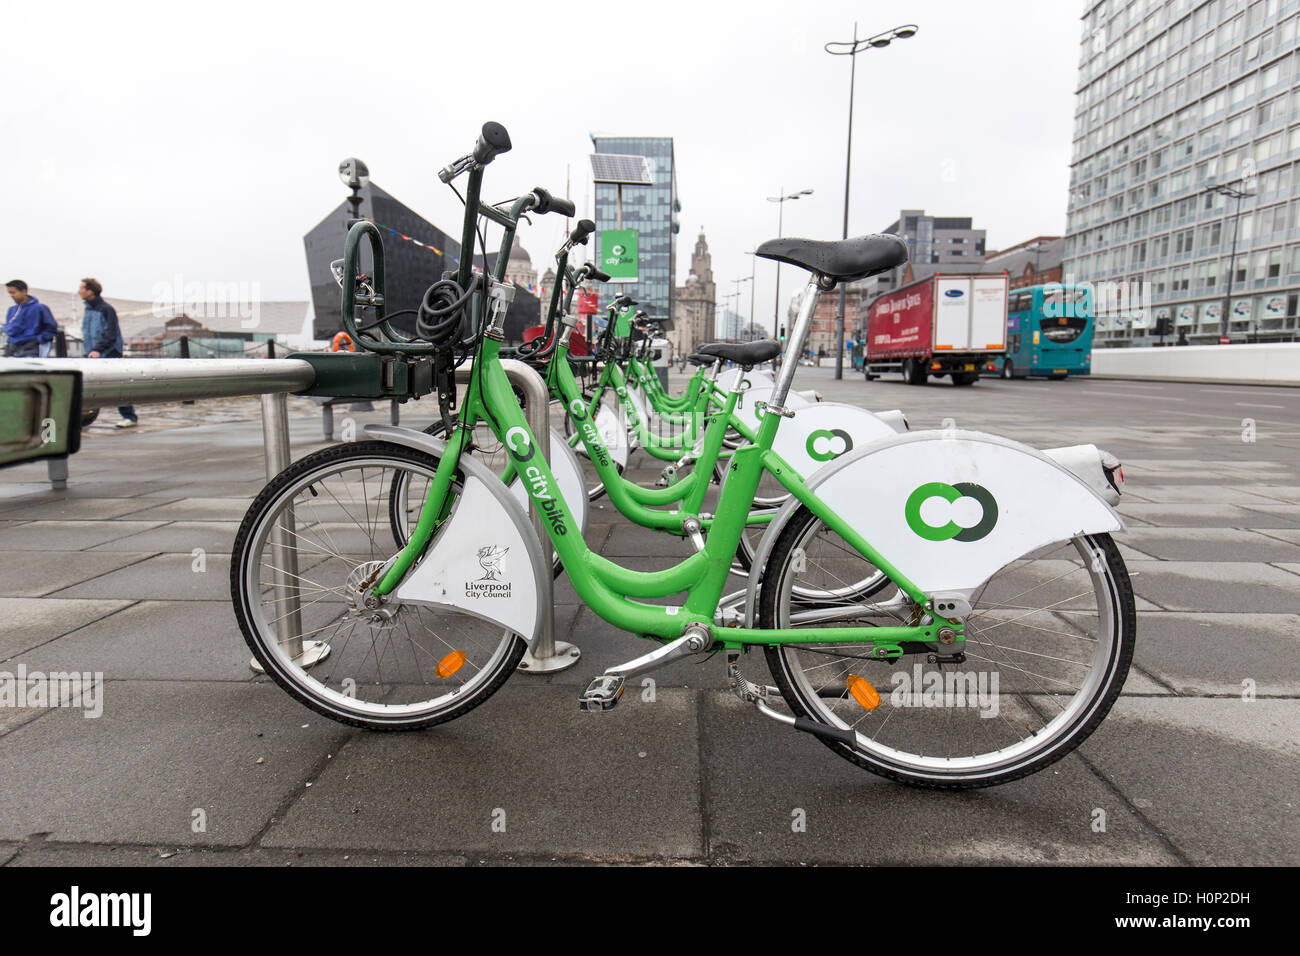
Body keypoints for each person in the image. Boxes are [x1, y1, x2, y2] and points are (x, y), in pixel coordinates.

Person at [78, 277, 138, 427]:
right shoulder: (88, 309)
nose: (79, 291)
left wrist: (99, 349)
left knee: (118, 386)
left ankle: (129, 417)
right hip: (92, 353)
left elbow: (111, 334)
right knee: (86, 385)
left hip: (108, 352)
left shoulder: (106, 309)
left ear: (90, 291)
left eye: (82, 288)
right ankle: (83, 417)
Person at [4, 279, 55, 357]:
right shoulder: (11, 310)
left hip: (30, 349)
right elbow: (9, 328)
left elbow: (51, 328)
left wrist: (38, 340)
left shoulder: (39, 308)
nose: (11, 295)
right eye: (10, 293)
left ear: (24, 291)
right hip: (12, 348)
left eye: (13, 292)